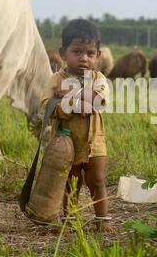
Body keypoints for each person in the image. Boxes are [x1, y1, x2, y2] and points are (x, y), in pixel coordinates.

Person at [40, 19, 112, 232]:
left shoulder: (99, 78)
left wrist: (69, 95)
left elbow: (100, 102)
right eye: (77, 51)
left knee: (97, 180)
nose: (84, 58)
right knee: (71, 183)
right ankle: (69, 222)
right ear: (63, 53)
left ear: (97, 56)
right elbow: (46, 106)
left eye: (90, 53)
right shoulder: (55, 78)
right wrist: (76, 103)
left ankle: (103, 221)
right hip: (66, 142)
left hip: (94, 142)